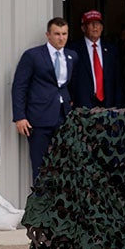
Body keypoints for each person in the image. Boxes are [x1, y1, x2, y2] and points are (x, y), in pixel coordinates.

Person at [12, 17, 77, 181]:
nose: (61, 38)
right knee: (40, 167)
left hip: (64, 118)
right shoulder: (32, 56)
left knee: (63, 164)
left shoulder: (71, 56)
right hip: (39, 119)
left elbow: (72, 84)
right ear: (48, 35)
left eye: (64, 34)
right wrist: (20, 117)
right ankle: (40, 205)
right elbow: (19, 86)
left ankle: (59, 204)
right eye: (57, 34)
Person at [67, 9, 125, 110]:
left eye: (98, 24)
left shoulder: (112, 50)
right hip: (82, 106)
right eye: (91, 24)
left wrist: (119, 105)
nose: (95, 27)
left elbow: (118, 79)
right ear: (83, 28)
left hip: (108, 105)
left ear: (102, 28)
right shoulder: (73, 50)